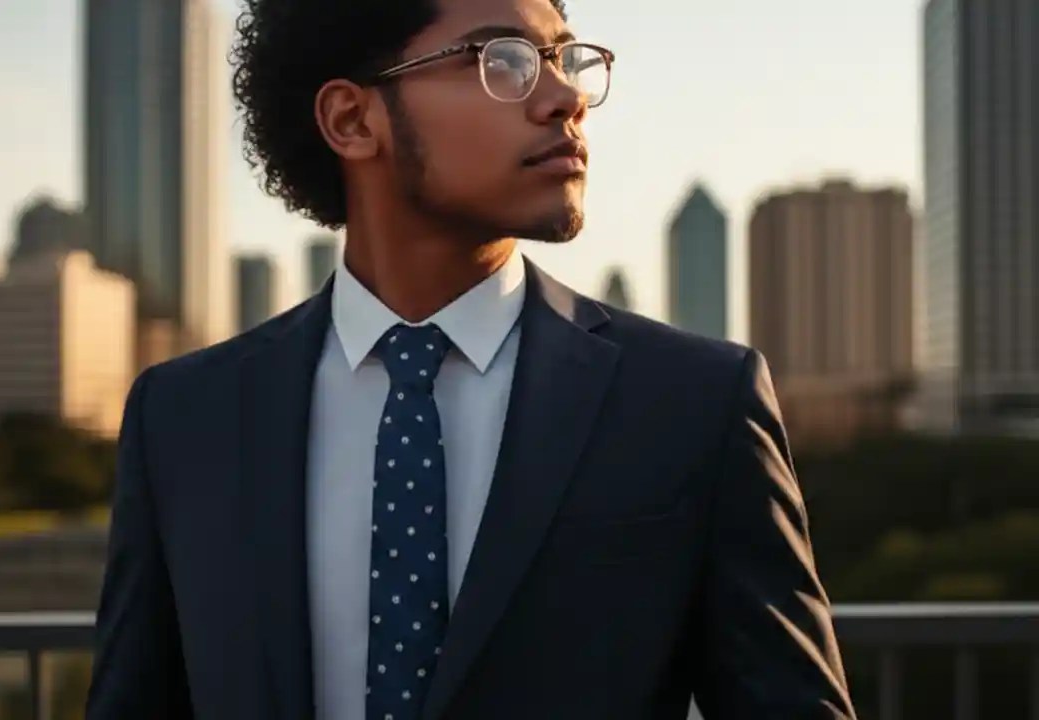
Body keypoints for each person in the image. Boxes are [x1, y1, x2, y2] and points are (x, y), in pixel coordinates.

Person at [85, 0, 856, 717]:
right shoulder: (185, 416)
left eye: (564, 60)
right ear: (353, 119)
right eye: (503, 60)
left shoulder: (694, 401)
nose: (565, 97)